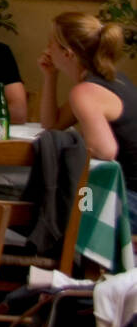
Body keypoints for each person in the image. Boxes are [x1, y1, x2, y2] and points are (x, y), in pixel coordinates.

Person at [40, 13, 137, 222]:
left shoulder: (85, 92)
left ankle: (73, 253)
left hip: (128, 198)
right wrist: (50, 77)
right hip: (127, 192)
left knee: (52, 206)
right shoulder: (112, 79)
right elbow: (52, 125)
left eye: (51, 43)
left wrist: (76, 145)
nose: (47, 49)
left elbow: (105, 150)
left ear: (67, 54)